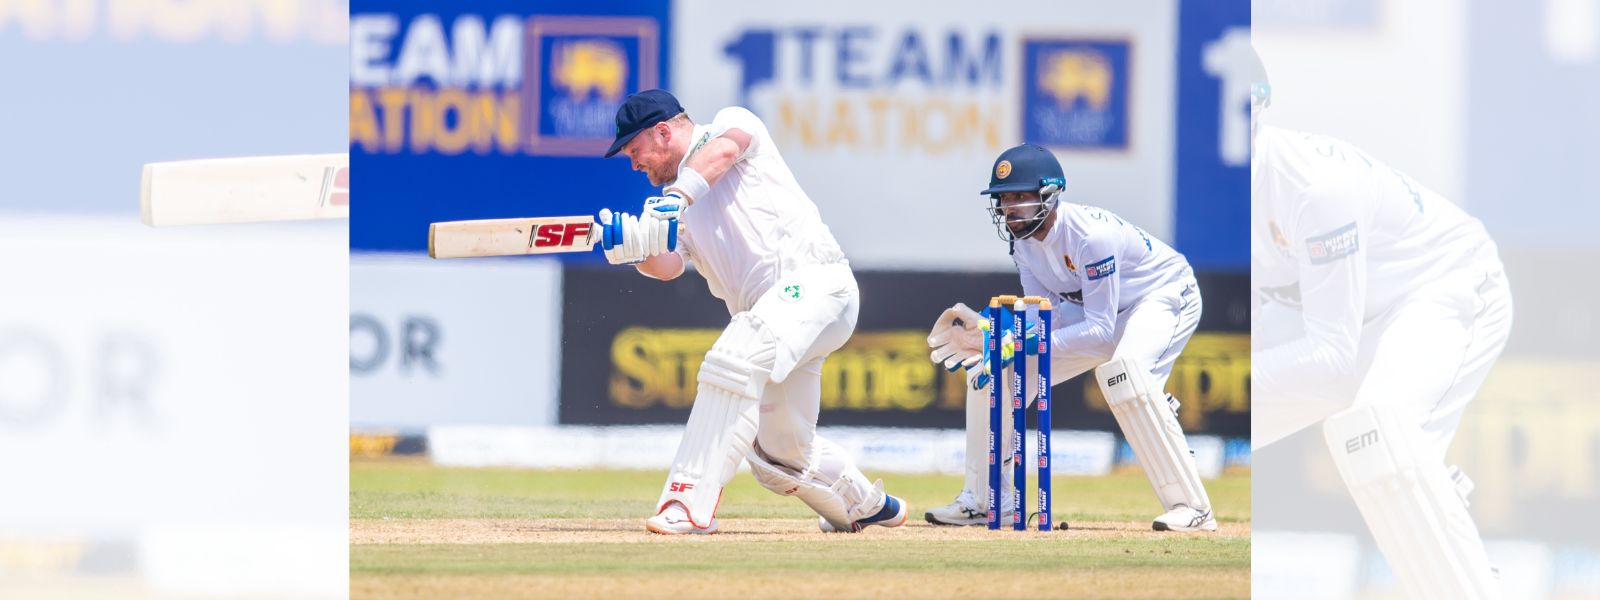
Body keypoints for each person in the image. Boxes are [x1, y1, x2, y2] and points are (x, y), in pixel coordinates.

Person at [598, 89, 907, 535]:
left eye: (634, 150)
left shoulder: (730, 124)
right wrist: (632, 247)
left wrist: (677, 198)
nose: (633, 163)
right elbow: (667, 267)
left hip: (818, 286)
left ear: (662, 132)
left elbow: (724, 151)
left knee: (735, 352)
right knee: (778, 456)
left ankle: (686, 504)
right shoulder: (675, 206)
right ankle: (868, 503)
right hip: (778, 322)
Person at [1250, 78, 1511, 596]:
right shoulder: (1215, 190)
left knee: (1376, 434)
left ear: (1257, 109)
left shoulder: (1312, 186)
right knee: (1240, 418)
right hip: (1350, 316)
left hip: (1443, 285)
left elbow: (1330, 356)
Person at [923, 143, 1217, 532]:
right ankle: (988, 500)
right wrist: (997, 337)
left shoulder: (1090, 237)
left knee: (1126, 377)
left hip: (1160, 296)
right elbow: (1043, 316)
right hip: (1099, 311)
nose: (1009, 208)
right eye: (1003, 198)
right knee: (993, 375)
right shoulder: (1023, 244)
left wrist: (1021, 340)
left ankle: (1192, 508)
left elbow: (1099, 330)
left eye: (1020, 198)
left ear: (1048, 194)